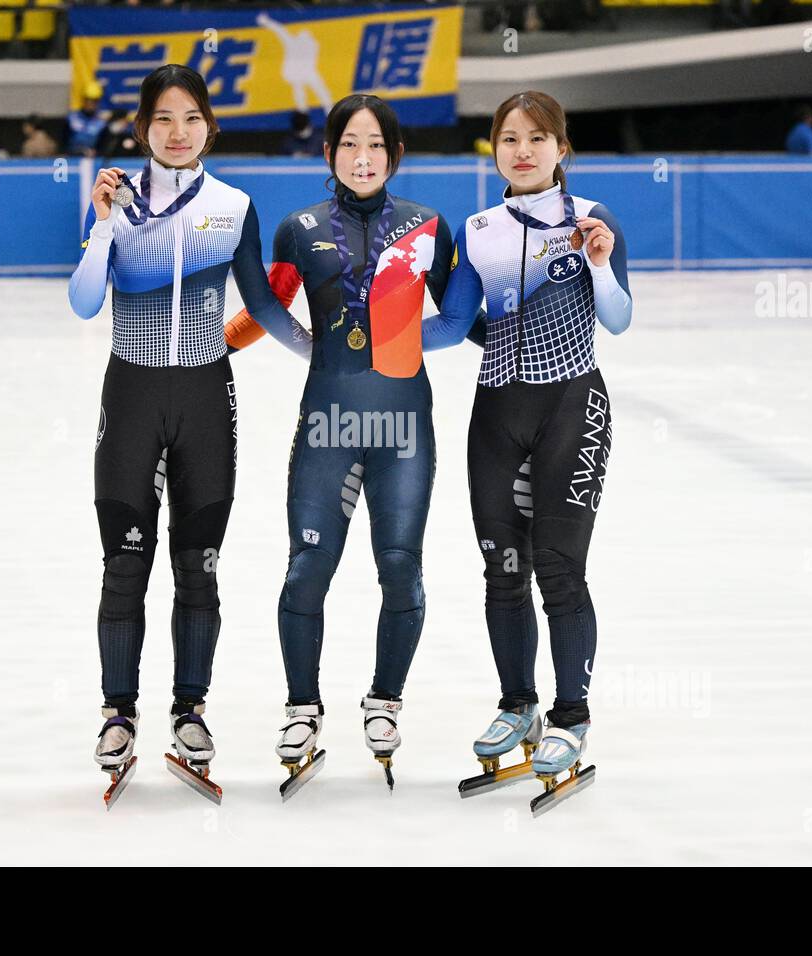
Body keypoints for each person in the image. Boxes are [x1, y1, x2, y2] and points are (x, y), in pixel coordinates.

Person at [67, 64, 311, 806]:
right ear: (142, 128)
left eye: (192, 118)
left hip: (206, 396)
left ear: (210, 126)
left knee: (197, 564)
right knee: (124, 564)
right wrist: (102, 223)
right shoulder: (115, 201)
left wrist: (320, 353)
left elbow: (263, 305)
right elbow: (83, 303)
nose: (177, 132)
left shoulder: (235, 206)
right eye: (163, 119)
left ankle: (190, 711)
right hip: (133, 395)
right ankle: (117, 715)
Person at [224, 94, 481, 793]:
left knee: (400, 568)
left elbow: (458, 319)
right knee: (308, 568)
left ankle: (383, 701)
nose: (362, 157)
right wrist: (221, 348)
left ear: (395, 155)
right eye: (348, 144)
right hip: (327, 423)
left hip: (403, 425)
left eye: (375, 145)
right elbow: (267, 307)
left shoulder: (429, 227)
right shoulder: (296, 229)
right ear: (329, 152)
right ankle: (302, 708)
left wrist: (403, 341)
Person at [421, 90, 632, 803]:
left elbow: (620, 319)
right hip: (497, 412)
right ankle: (520, 705)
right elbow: (456, 326)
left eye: (537, 138)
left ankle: (571, 716)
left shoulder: (589, 220)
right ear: (493, 149)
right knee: (501, 567)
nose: (522, 149)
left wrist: (600, 264)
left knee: (559, 567)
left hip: (572, 404)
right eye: (509, 138)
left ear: (561, 149)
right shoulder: (476, 229)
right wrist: (373, 327)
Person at [65, 82, 108, 158]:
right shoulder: (71, 118)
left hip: (92, 159)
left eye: (94, 101)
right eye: (88, 100)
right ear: (84, 100)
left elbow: (104, 146)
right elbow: (63, 141)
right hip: (71, 157)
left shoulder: (101, 123)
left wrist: (96, 152)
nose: (91, 104)